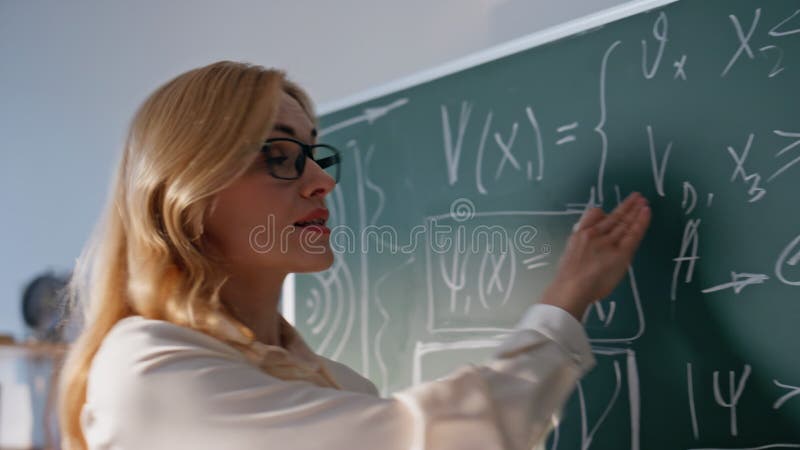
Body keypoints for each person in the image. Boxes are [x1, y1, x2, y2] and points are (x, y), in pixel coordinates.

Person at [56, 60, 651, 450]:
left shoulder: (342, 387)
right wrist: (563, 303)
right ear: (189, 187)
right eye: (281, 155)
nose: (321, 181)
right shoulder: (147, 370)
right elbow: (427, 441)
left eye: (315, 154)